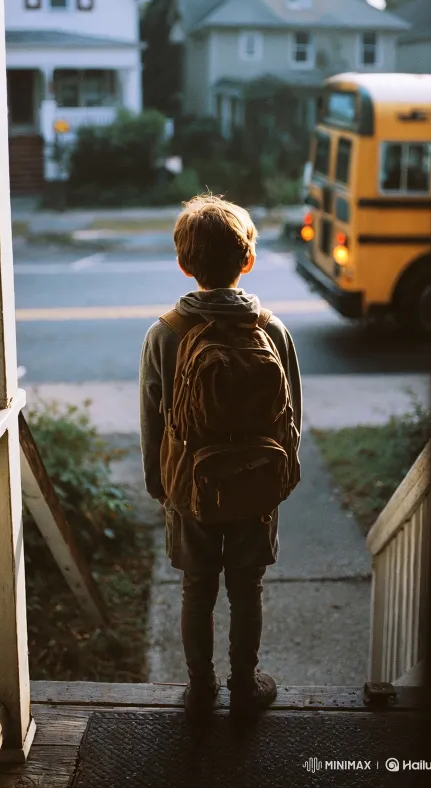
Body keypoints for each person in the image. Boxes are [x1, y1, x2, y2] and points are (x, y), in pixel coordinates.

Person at [139, 194, 302, 720]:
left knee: (197, 587)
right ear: (247, 260)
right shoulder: (271, 329)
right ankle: (244, 685)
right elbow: (291, 415)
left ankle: (201, 688)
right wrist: (283, 476)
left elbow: (152, 419)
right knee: (247, 587)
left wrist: (159, 482)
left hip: (190, 482)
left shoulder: (165, 333)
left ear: (184, 264)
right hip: (257, 482)